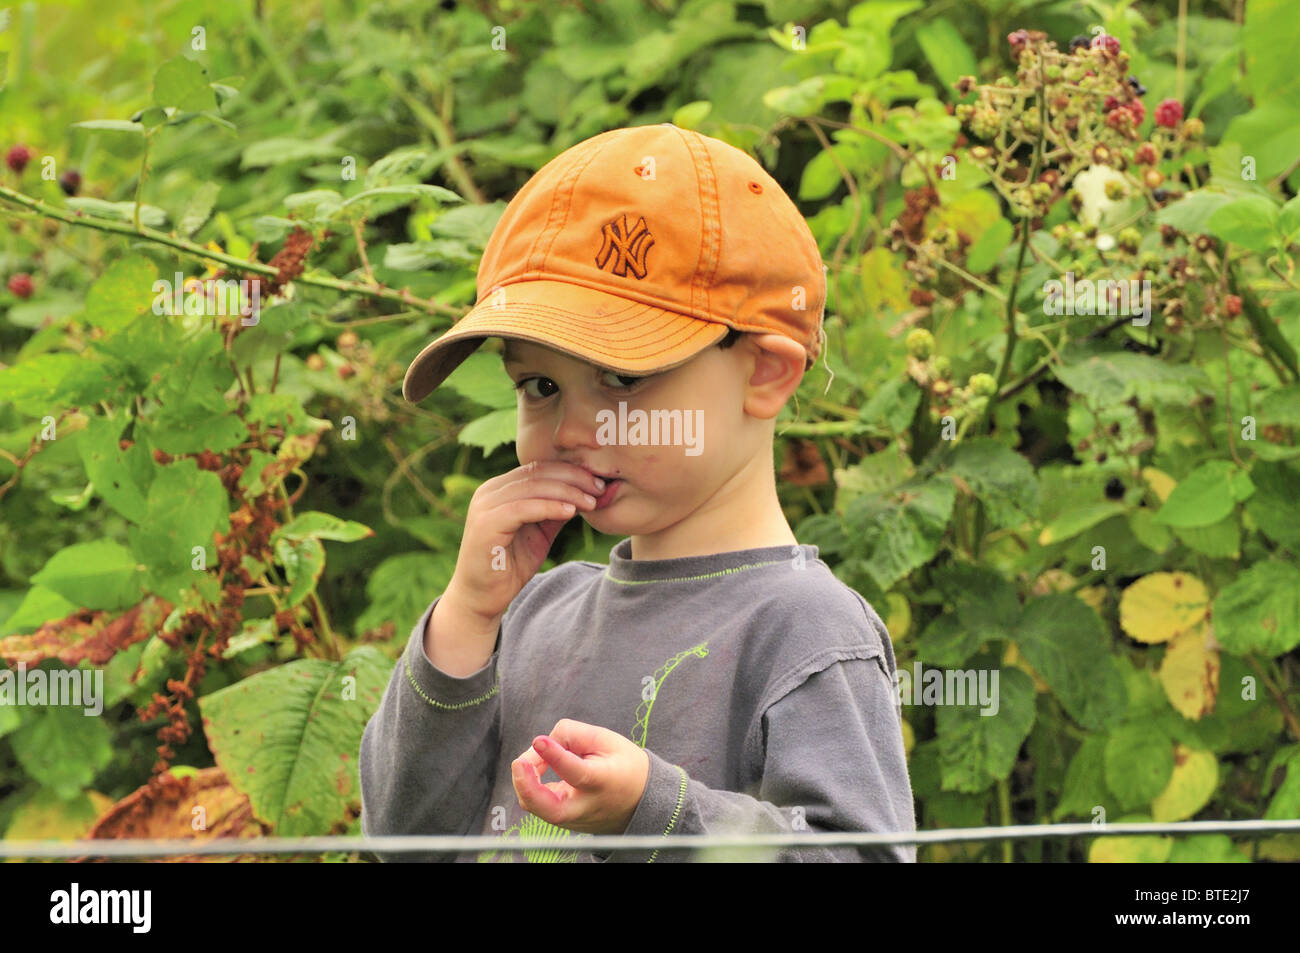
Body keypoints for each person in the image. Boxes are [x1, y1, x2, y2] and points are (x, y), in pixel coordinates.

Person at [359, 123, 916, 862]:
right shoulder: (532, 613)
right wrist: (467, 615)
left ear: (765, 373)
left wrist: (657, 812)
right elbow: (403, 842)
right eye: (540, 385)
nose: (570, 428)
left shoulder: (805, 630)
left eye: (621, 378)